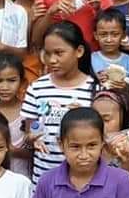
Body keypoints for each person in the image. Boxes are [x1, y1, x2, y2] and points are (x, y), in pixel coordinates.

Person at [20, 21, 96, 188]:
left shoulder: (94, 89)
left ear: (79, 51)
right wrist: (33, 138)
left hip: (83, 182)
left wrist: (83, 118)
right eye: (47, 54)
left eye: (59, 53)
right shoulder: (37, 88)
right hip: (44, 179)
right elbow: (30, 129)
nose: (52, 60)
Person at [0, 53, 31, 180]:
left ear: (23, 82)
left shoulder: (29, 113)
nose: (5, 87)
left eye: (11, 80)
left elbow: (38, 153)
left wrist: (12, 150)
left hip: (22, 180)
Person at [91, 7, 129, 85]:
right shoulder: (90, 60)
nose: (109, 40)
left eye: (115, 34)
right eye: (103, 34)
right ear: (96, 35)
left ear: (123, 35)